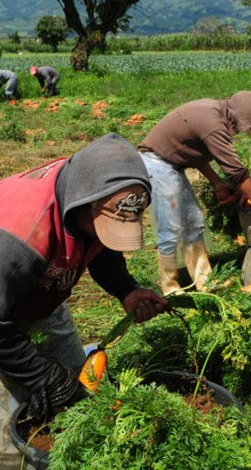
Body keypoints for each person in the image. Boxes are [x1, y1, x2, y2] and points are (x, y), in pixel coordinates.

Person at [0, 133, 168, 465]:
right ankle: (15, 454)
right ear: (83, 203)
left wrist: (126, 289)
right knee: (32, 398)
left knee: (76, 388)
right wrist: (43, 378)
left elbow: (100, 247)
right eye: (105, 224)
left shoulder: (88, 192)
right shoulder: (20, 239)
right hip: (5, 300)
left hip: (41, 294)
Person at [137, 91, 251, 295]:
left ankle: (205, 281)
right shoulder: (213, 124)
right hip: (157, 164)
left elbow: (195, 154)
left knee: (194, 221)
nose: (247, 131)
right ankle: (170, 287)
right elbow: (235, 170)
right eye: (250, 126)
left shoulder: (216, 113)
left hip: (171, 164)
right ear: (240, 117)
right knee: (171, 226)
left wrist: (217, 182)